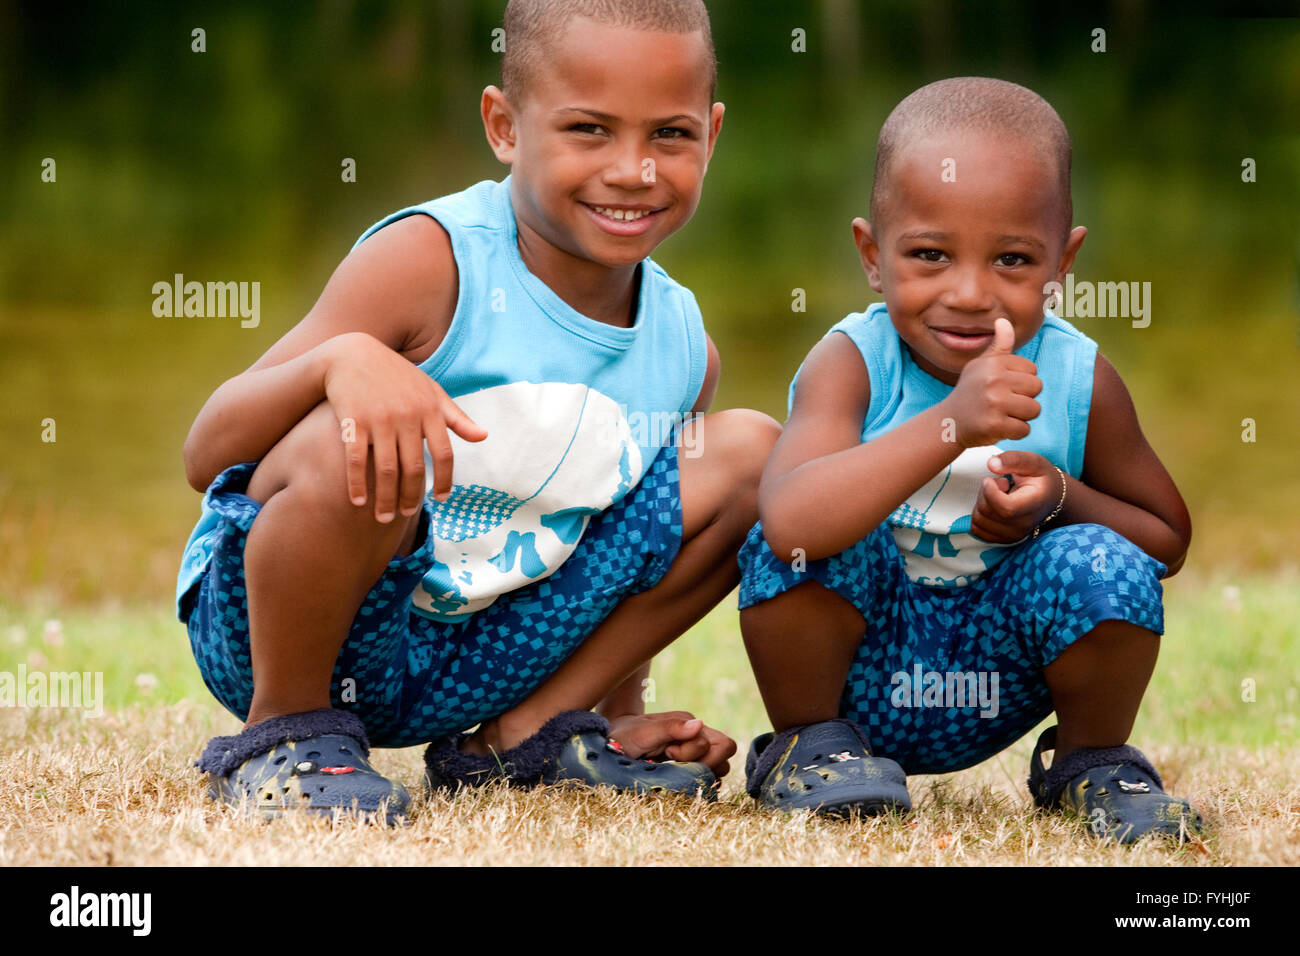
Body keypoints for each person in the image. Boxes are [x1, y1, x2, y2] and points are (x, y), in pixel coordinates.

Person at [177, 0, 776, 823]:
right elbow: (208, 453)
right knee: (356, 426)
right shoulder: (428, 262)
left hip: (492, 652)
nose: (634, 170)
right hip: (288, 626)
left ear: (711, 133)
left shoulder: (679, 344)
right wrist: (340, 362)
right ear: (504, 125)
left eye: (669, 135)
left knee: (752, 454)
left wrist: (618, 708)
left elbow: (634, 537)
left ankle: (530, 738)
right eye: (589, 130)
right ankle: (284, 731)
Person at [736, 77, 1202, 844]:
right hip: (864, 669)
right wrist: (952, 423)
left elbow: (1164, 541)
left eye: (1013, 260)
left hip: (1002, 664)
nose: (969, 292)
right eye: (928, 254)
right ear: (872, 256)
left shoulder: (1081, 378)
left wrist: (1059, 496)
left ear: (1064, 262)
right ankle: (807, 750)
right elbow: (787, 521)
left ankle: (1090, 763)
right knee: (814, 525)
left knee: (1101, 560)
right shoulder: (853, 362)